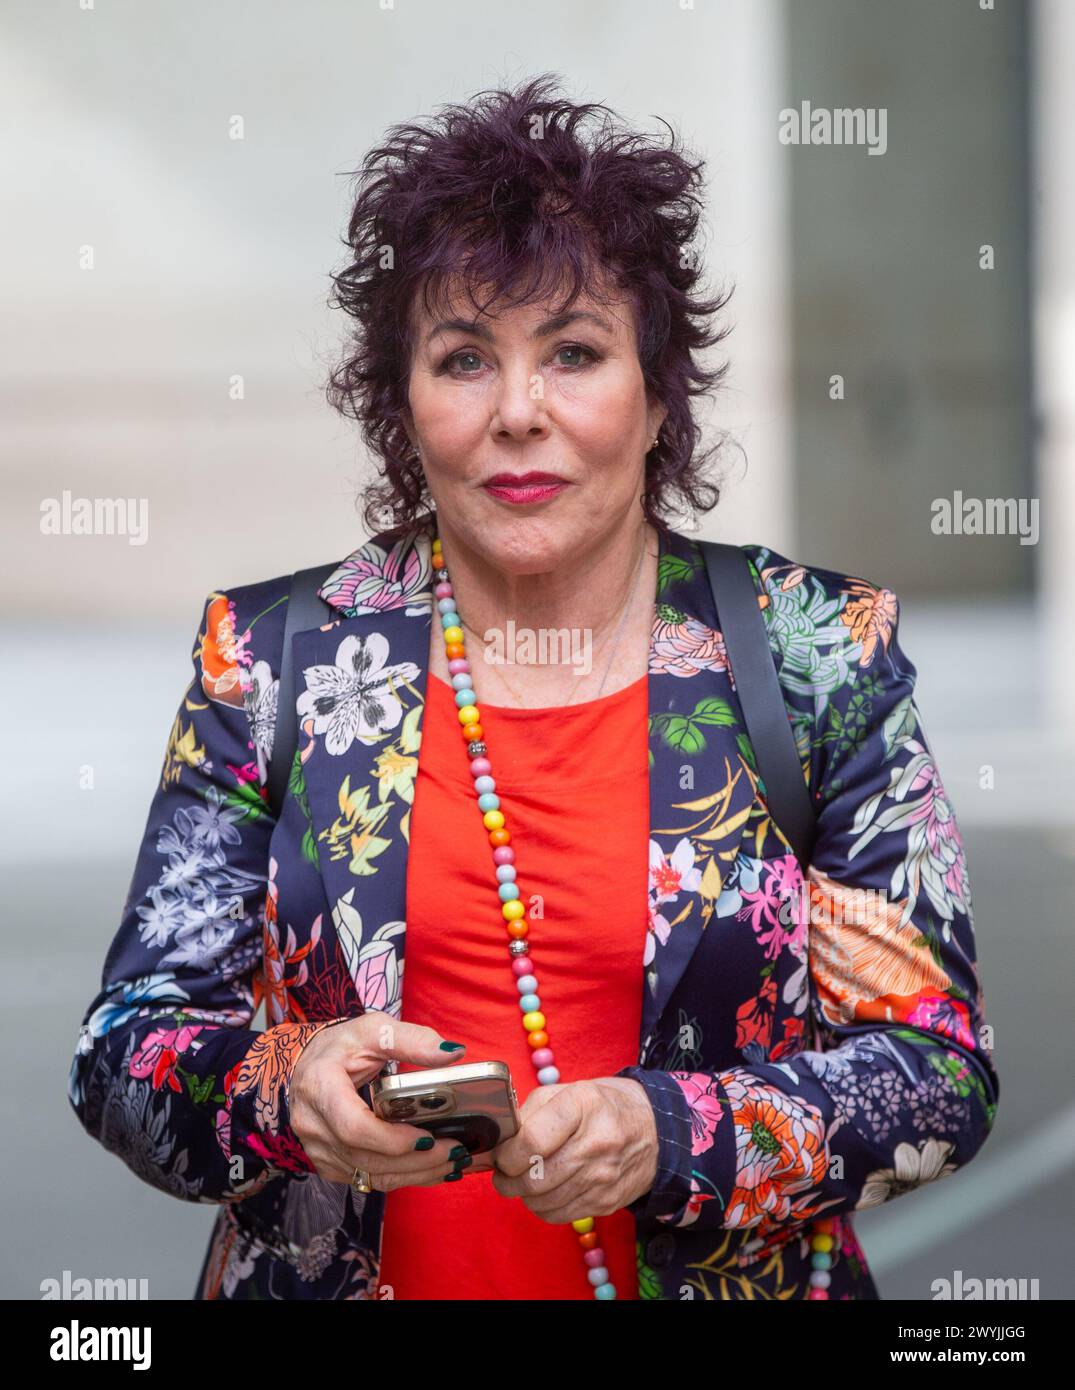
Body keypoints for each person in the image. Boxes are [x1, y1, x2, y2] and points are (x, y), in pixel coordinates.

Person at [69, 74, 999, 1301]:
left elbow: (941, 1070)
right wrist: (283, 1089)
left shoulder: (816, 652)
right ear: (403, 406)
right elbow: (124, 1048)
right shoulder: (272, 658)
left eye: (574, 352)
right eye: (463, 359)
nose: (519, 413)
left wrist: (674, 1134)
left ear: (657, 392)